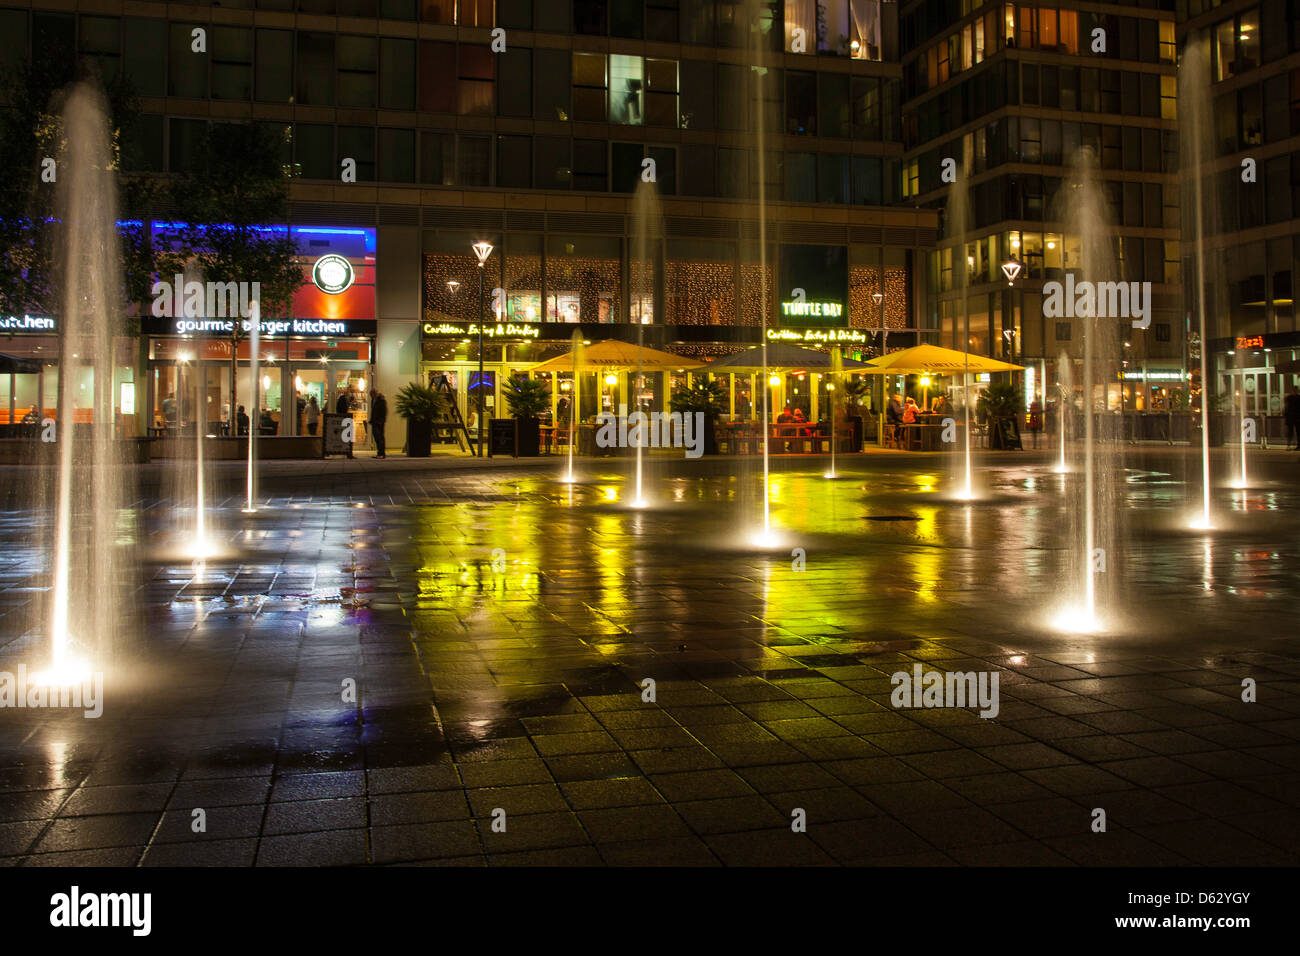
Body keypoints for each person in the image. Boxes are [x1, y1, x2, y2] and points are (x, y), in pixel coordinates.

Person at [371, 389, 388, 458]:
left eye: (371, 394)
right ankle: (379, 453)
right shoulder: (373, 400)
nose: (371, 396)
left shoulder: (381, 400)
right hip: (375, 422)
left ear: (374, 393)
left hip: (379, 422)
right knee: (377, 438)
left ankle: (382, 453)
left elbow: (384, 411)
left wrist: (381, 421)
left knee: (380, 437)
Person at [1286, 386, 1300, 450]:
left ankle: (1289, 445)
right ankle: (1294, 445)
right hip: (1296, 417)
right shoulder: (1297, 398)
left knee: (1292, 432)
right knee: (1296, 432)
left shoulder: (1289, 398)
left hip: (1292, 417)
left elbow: (1287, 408)